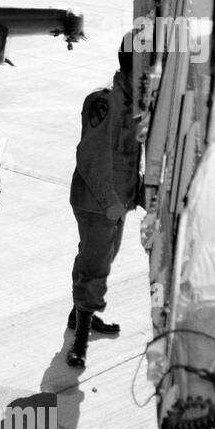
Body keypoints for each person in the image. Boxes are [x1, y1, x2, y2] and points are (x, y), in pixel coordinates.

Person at [66, 48, 142, 368]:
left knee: (101, 257)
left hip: (117, 201)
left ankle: (79, 315)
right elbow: (91, 157)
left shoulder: (134, 103)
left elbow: (129, 154)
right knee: (96, 266)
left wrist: (133, 194)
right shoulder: (105, 102)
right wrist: (111, 201)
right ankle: (81, 339)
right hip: (98, 202)